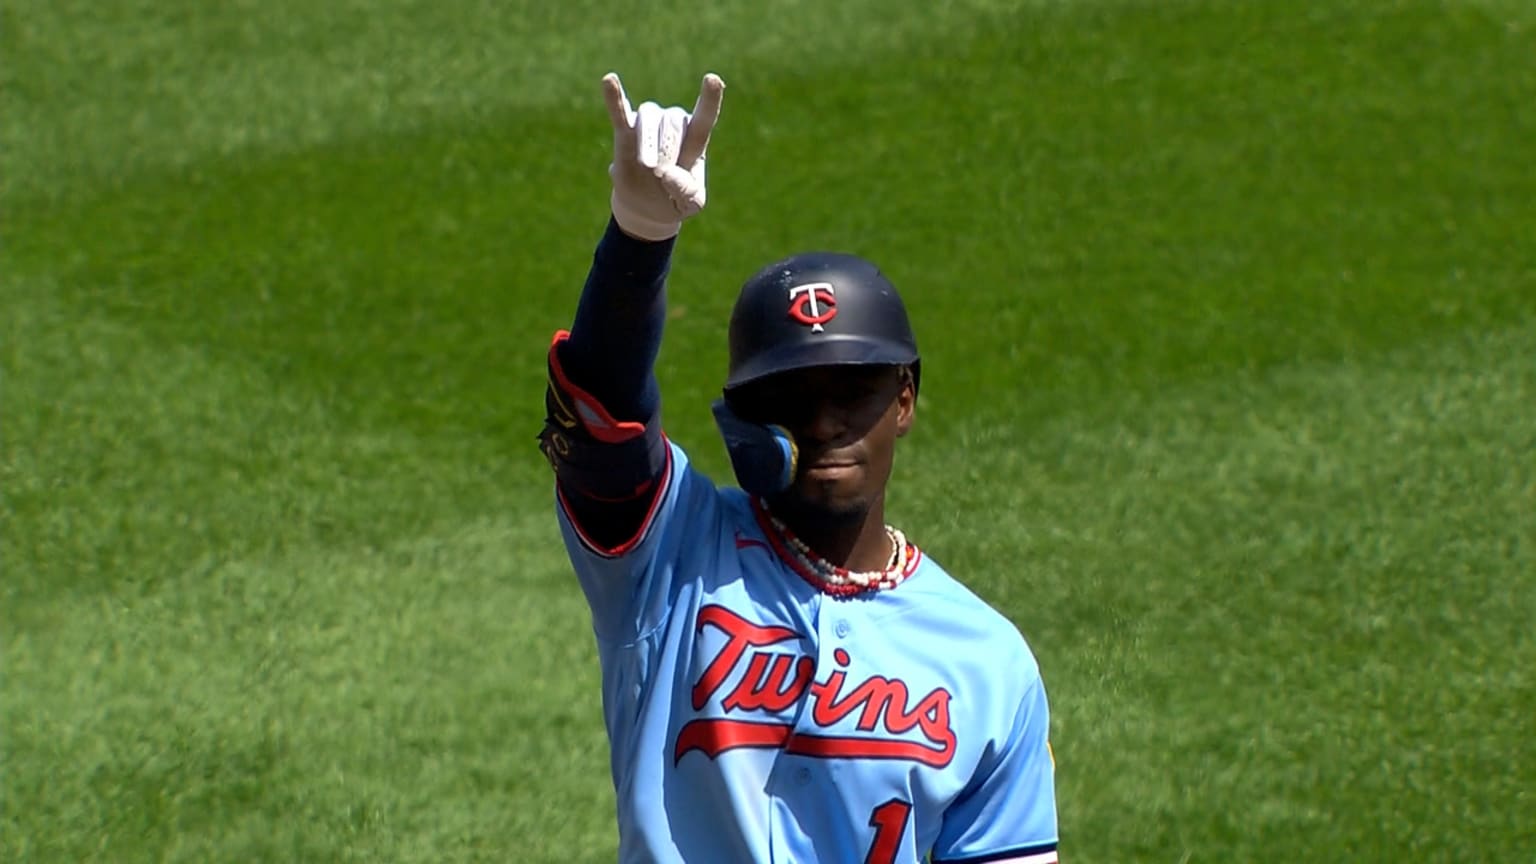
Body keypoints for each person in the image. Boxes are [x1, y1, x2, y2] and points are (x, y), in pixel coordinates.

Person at [539, 71, 1060, 864]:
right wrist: (638, 238)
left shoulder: (987, 660)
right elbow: (602, 418)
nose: (823, 422)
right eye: (791, 394)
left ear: (906, 399)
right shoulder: (670, 558)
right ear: (745, 411)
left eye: (856, 390)